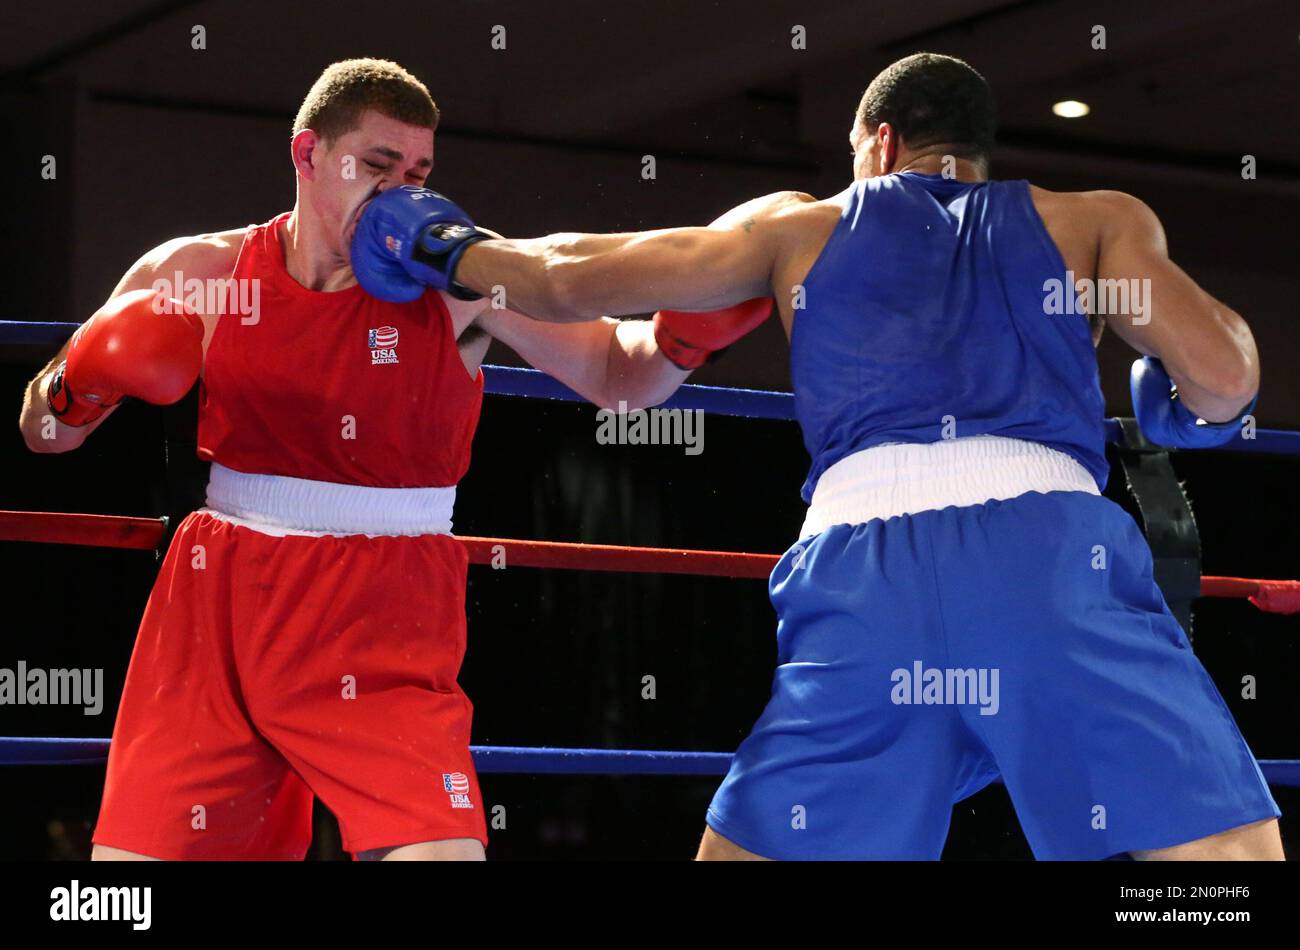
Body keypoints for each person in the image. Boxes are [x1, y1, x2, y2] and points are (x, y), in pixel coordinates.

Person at [353, 52, 1284, 860]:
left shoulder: (801, 229)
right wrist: (1188, 415)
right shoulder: (1095, 221)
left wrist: (447, 247)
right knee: (1228, 862)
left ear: (877, 144)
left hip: (864, 581)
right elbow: (1228, 375)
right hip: (1049, 563)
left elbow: (566, 276)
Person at [18, 58, 765, 861]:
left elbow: (621, 376)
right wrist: (79, 386)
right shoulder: (204, 273)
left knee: (438, 858)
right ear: (308, 156)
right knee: (125, 891)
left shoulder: (456, 287)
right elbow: (41, 431)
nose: (402, 195)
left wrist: (681, 340)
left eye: (418, 172)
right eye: (377, 167)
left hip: (383, 607)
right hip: (218, 597)